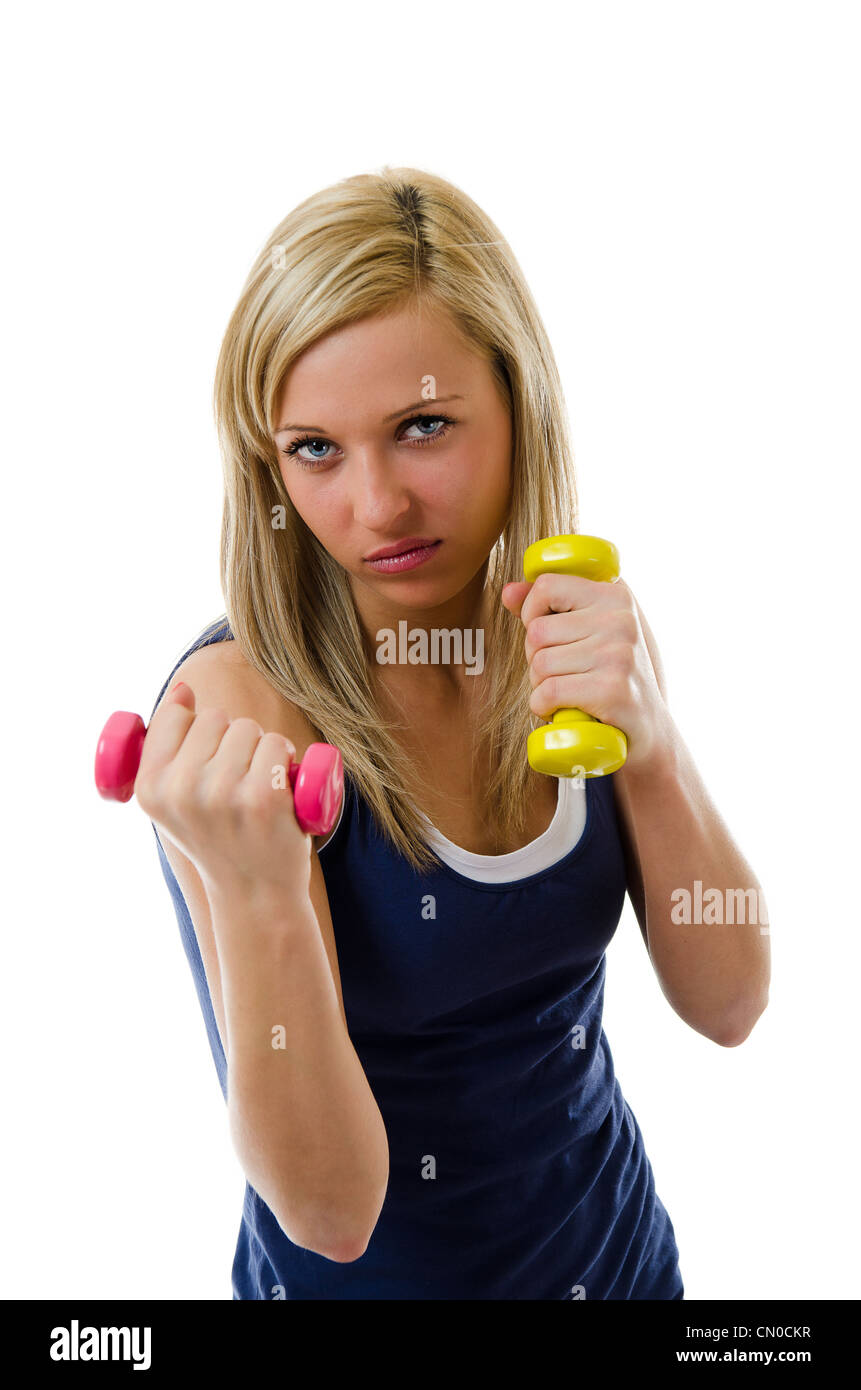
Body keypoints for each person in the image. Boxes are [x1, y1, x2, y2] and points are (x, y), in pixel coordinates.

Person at [137, 166, 769, 1299]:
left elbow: (730, 1004)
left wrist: (656, 744)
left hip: (623, 1272)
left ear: (517, 403)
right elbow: (331, 1214)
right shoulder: (242, 714)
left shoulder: (573, 631)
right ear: (267, 466)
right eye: (315, 450)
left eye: (423, 426)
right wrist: (259, 893)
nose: (376, 507)